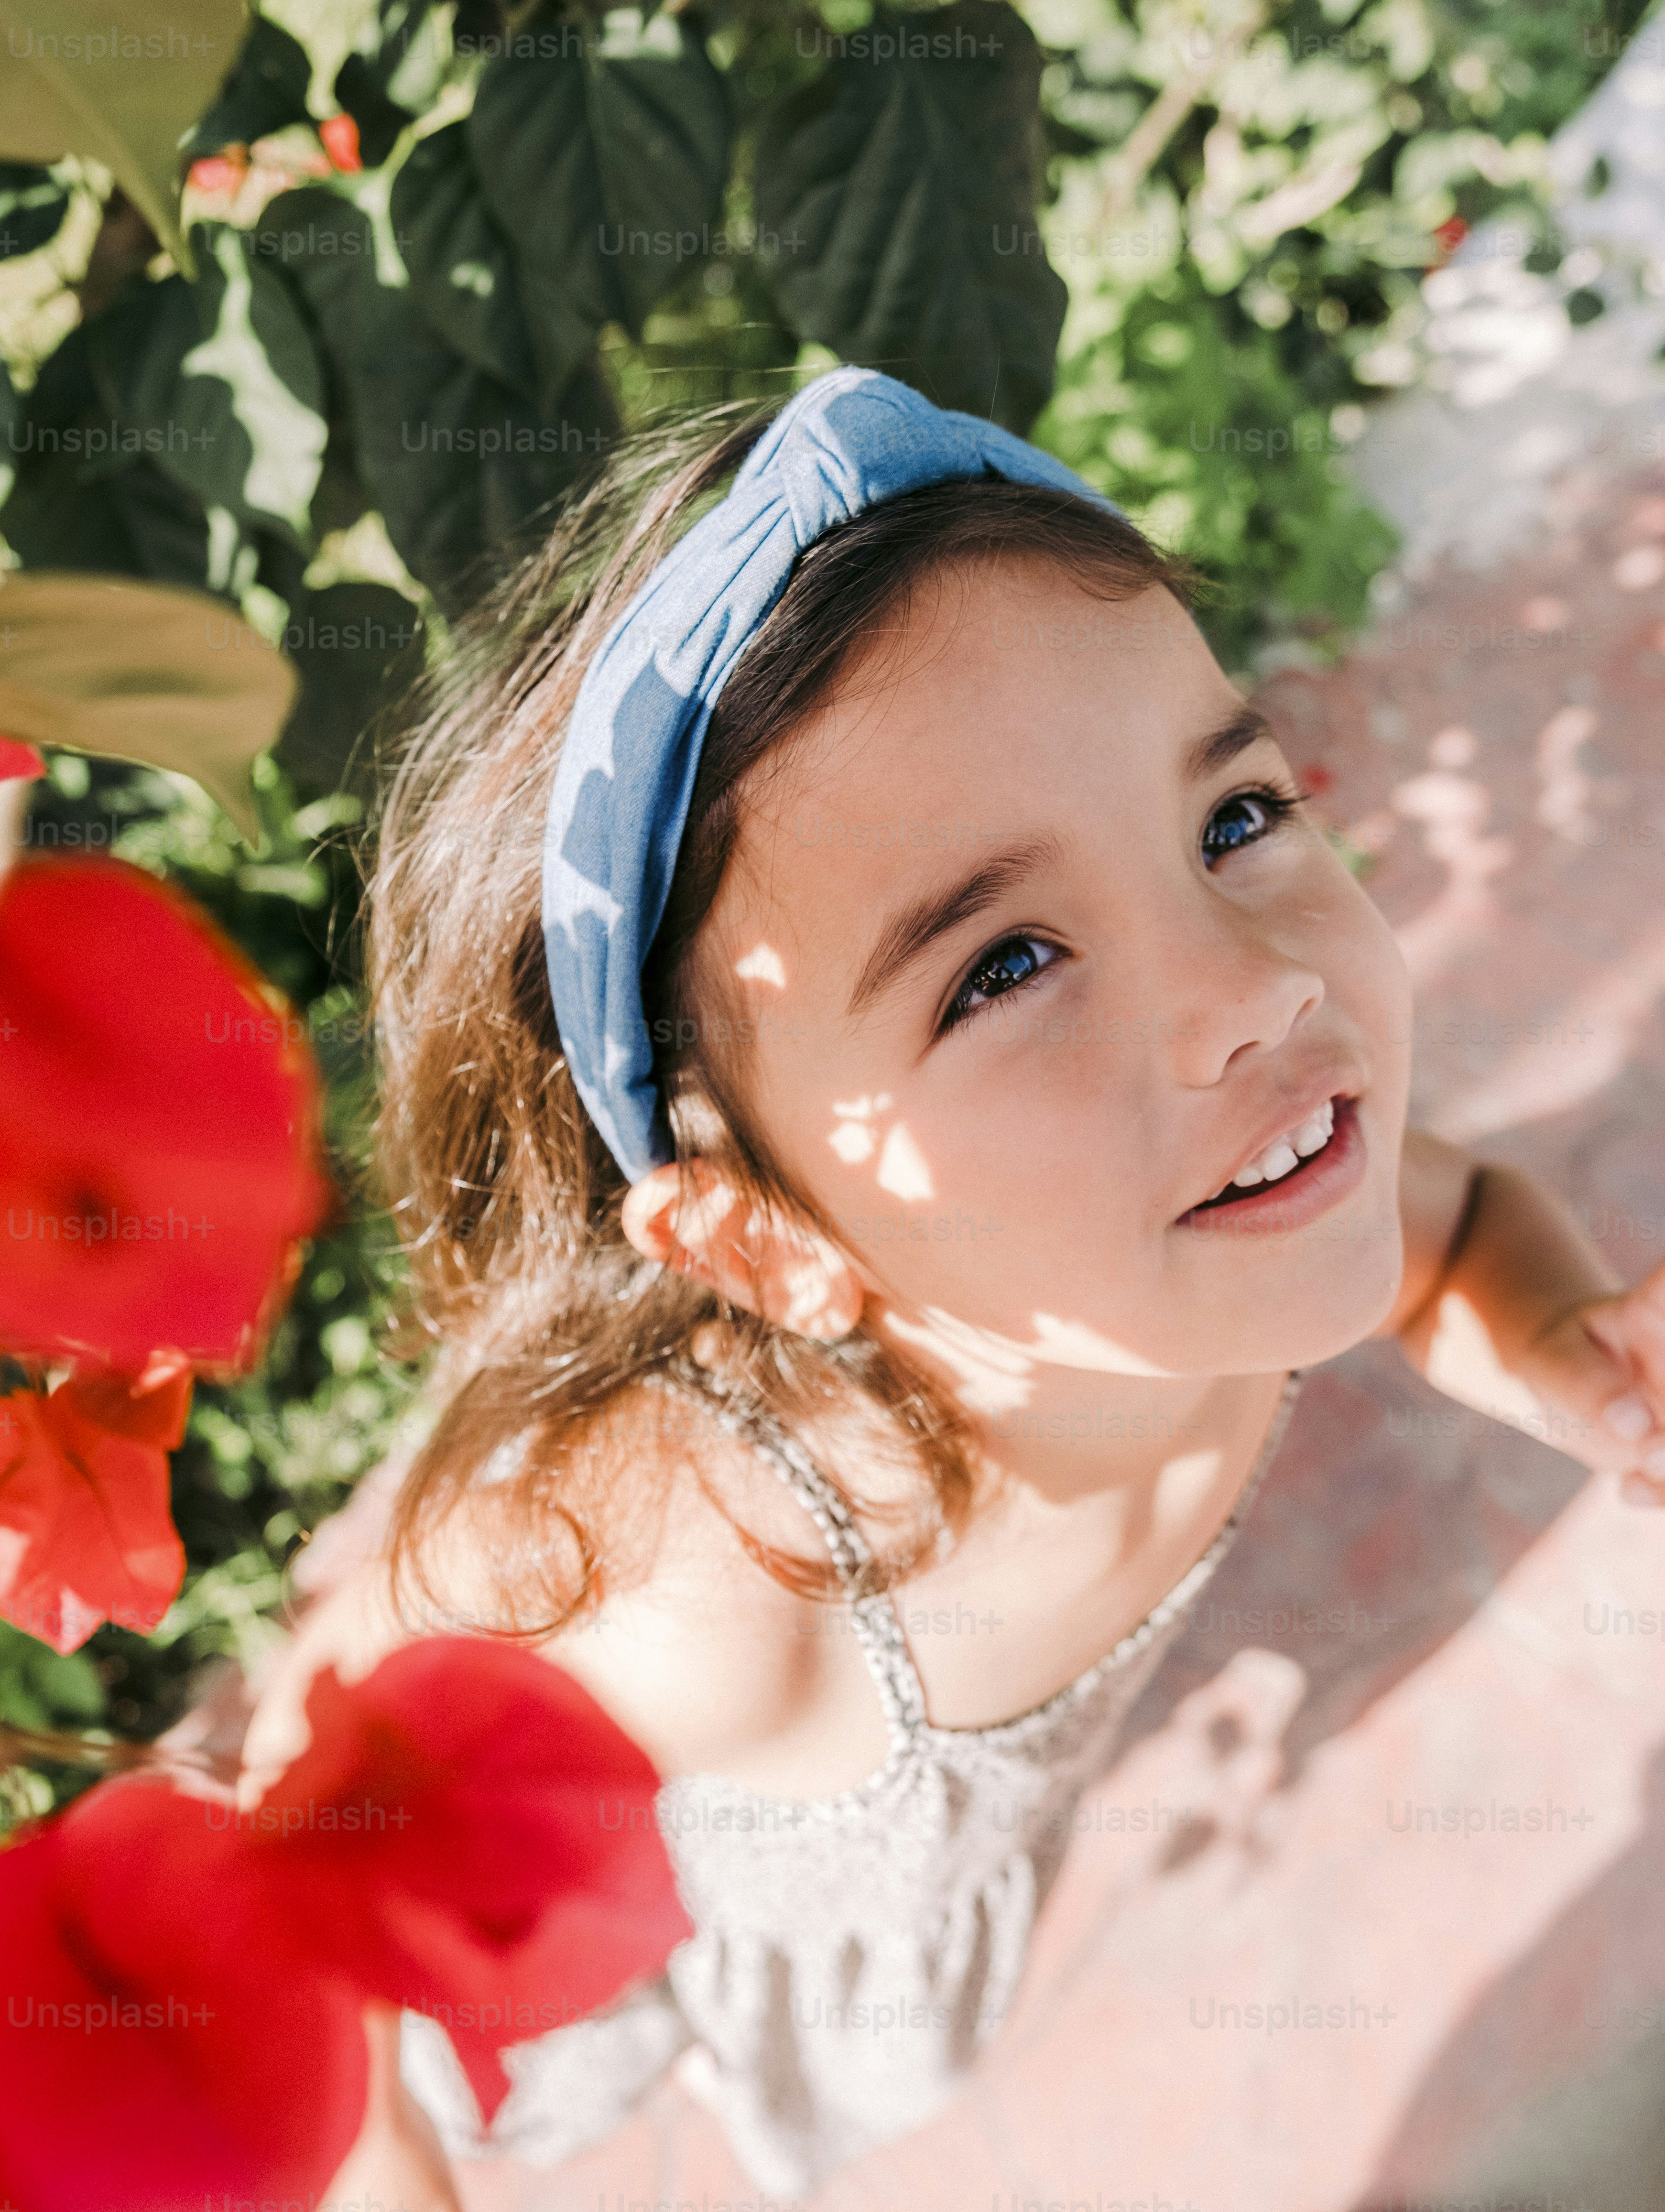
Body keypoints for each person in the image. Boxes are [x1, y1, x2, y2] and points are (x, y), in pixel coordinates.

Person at [244, 367, 1665, 2201]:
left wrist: (1572, 1351)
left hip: (922, 1890)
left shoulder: (1239, 1219)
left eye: (1232, 818)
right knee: (548, 2075)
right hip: (694, 1882)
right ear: (775, 1239)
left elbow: (1455, 1226)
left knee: (851, 2091)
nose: (1253, 988)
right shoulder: (701, 1588)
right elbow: (322, 1796)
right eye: (1001, 967)